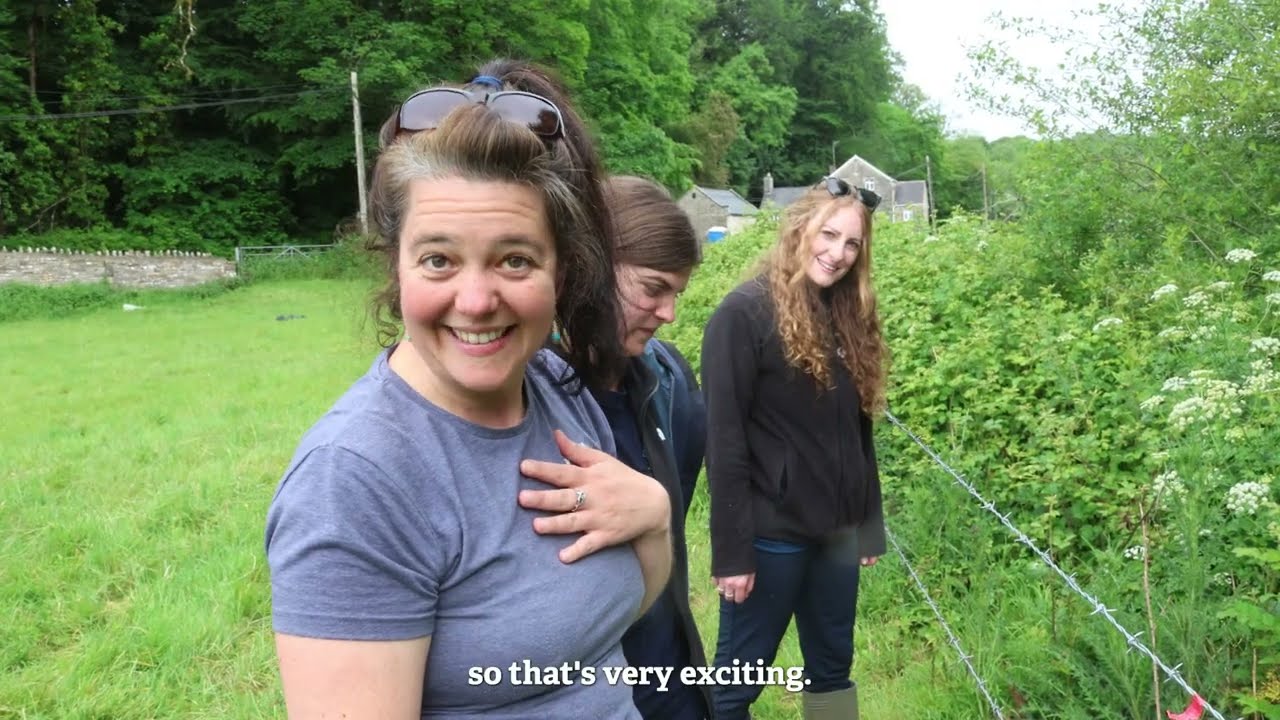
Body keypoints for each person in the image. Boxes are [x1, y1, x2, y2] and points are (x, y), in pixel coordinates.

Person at [265, 61, 672, 719]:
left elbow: (611, 624)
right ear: (396, 265)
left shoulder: (555, 386)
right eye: (439, 260)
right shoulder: (353, 482)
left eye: (515, 259)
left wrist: (653, 515)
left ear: (561, 271)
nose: (477, 300)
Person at [701, 176, 889, 720]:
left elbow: (858, 430)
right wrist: (732, 553)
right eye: (828, 235)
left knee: (832, 672)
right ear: (799, 228)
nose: (838, 254)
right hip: (771, 535)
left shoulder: (848, 314)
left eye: (852, 244)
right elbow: (724, 440)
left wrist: (868, 522)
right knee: (738, 682)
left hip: (837, 535)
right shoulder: (743, 314)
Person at [585, 175, 711, 719]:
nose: (669, 314)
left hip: (670, 674)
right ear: (589, 264)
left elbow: (675, 513)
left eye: (676, 294)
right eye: (653, 288)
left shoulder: (669, 380)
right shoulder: (523, 394)